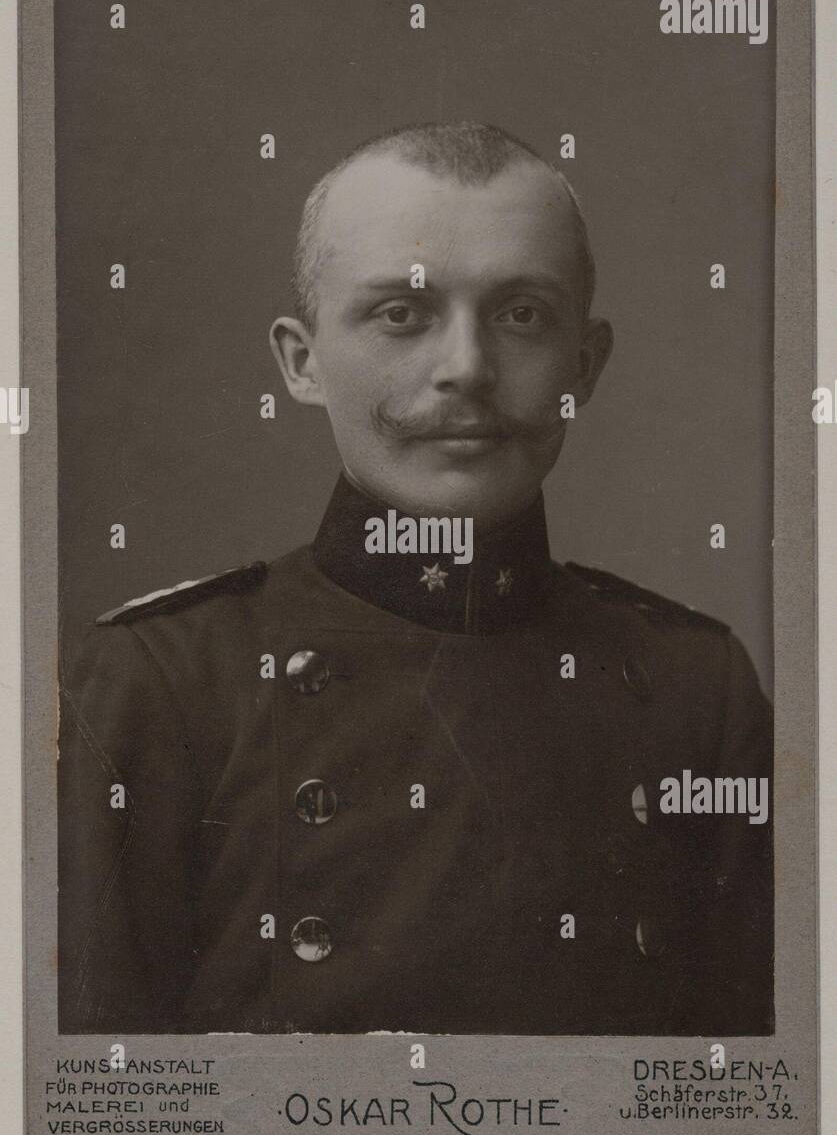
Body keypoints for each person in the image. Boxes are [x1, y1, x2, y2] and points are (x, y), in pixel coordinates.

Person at [58, 121, 773, 1035]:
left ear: (583, 365)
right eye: (402, 313)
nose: (466, 369)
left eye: (521, 315)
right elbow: (93, 1120)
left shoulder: (694, 686)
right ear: (301, 362)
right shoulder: (159, 679)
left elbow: (755, 1114)